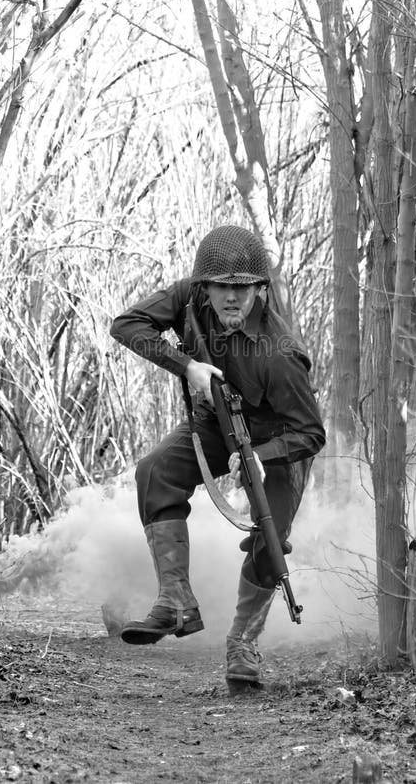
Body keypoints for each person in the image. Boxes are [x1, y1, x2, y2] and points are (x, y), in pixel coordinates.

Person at [109, 225, 325, 686]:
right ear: (205, 286)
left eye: (243, 289)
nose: (232, 298)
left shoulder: (282, 352)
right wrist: (187, 366)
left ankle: (242, 645)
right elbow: (125, 325)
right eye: (222, 287)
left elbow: (310, 433)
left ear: (258, 289)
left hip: (278, 443)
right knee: (156, 470)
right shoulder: (188, 298)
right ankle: (175, 600)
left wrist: (263, 454)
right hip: (215, 422)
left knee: (270, 538)